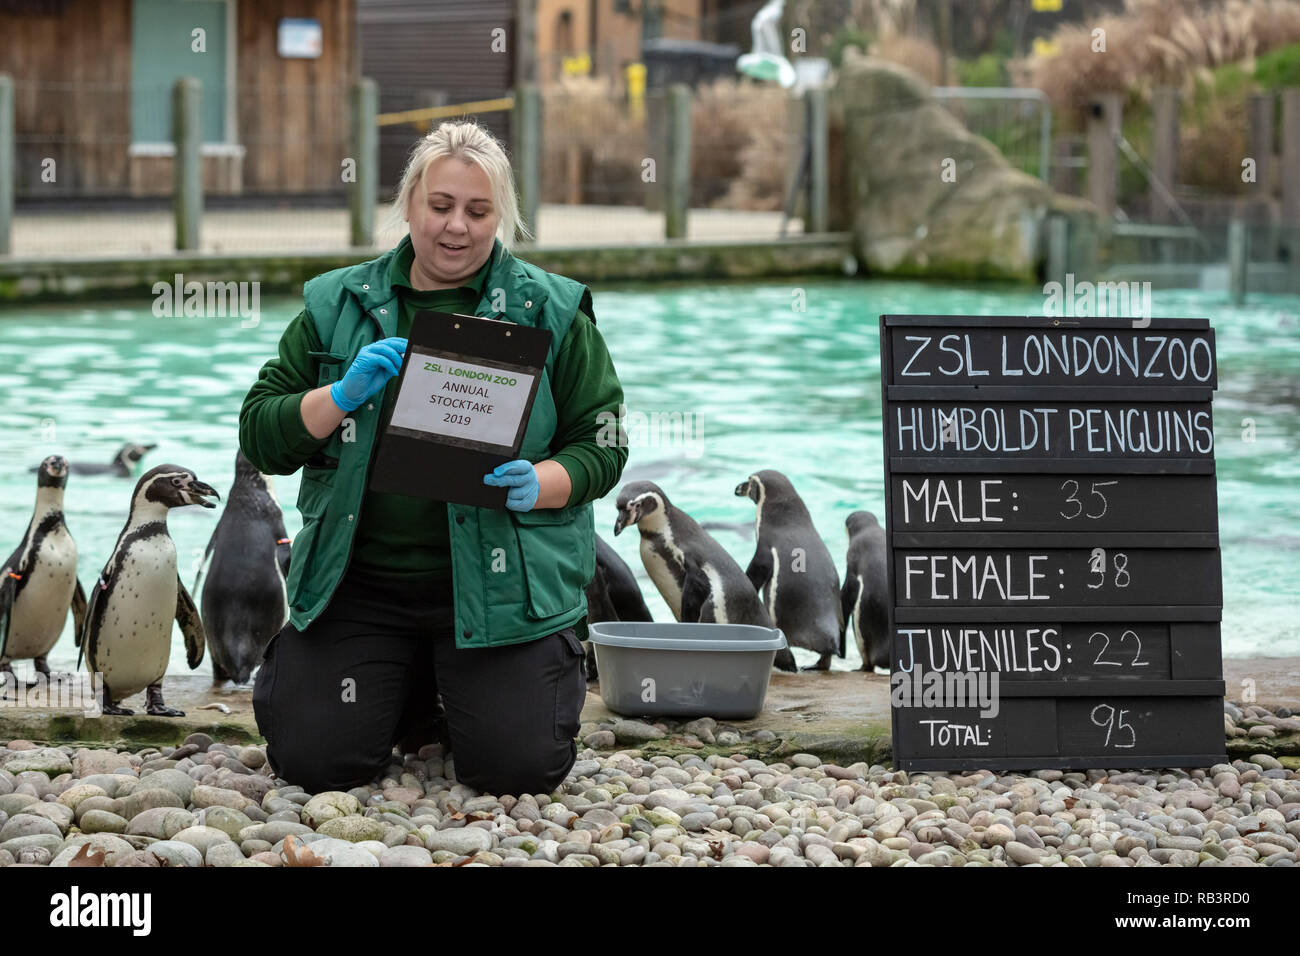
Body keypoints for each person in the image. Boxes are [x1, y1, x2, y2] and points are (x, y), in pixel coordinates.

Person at [238, 120, 628, 796]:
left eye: (478, 212)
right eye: (440, 206)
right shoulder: (337, 303)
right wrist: (337, 395)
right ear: (409, 206)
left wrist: (544, 482)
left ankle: (457, 693)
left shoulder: (554, 309)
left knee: (518, 770)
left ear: (499, 216)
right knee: (314, 764)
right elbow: (261, 434)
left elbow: (606, 439)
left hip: (500, 590)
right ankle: (412, 689)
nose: (457, 227)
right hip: (361, 586)